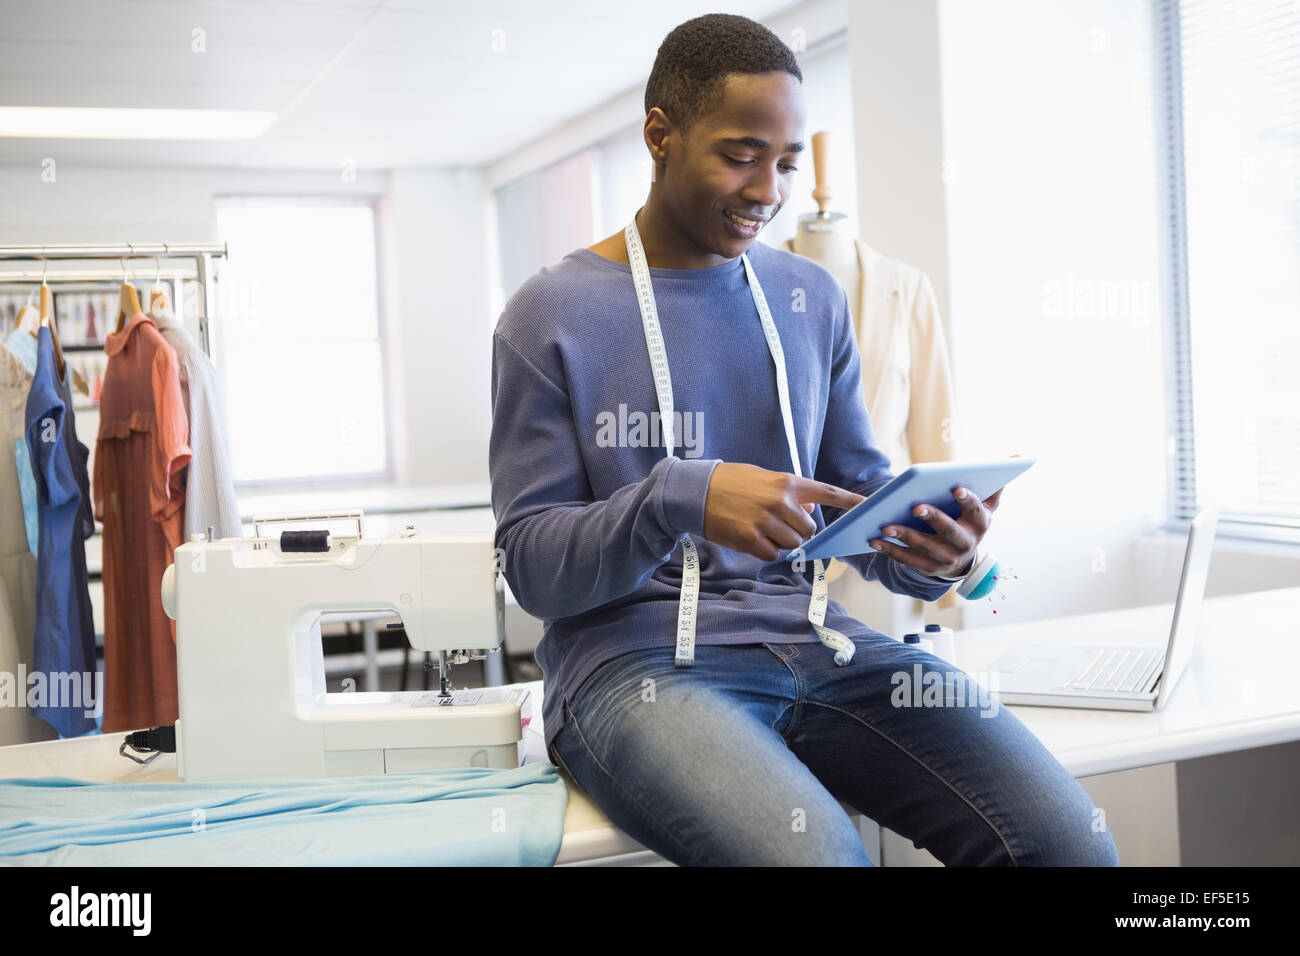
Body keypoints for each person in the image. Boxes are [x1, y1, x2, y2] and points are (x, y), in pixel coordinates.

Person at [489, 12, 1118, 867]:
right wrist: (680, 495)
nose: (769, 190)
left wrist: (937, 551)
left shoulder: (810, 299)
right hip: (632, 669)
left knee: (1067, 847)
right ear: (659, 136)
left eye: (785, 163)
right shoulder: (551, 313)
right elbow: (530, 567)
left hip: (822, 643)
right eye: (741, 154)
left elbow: (858, 507)